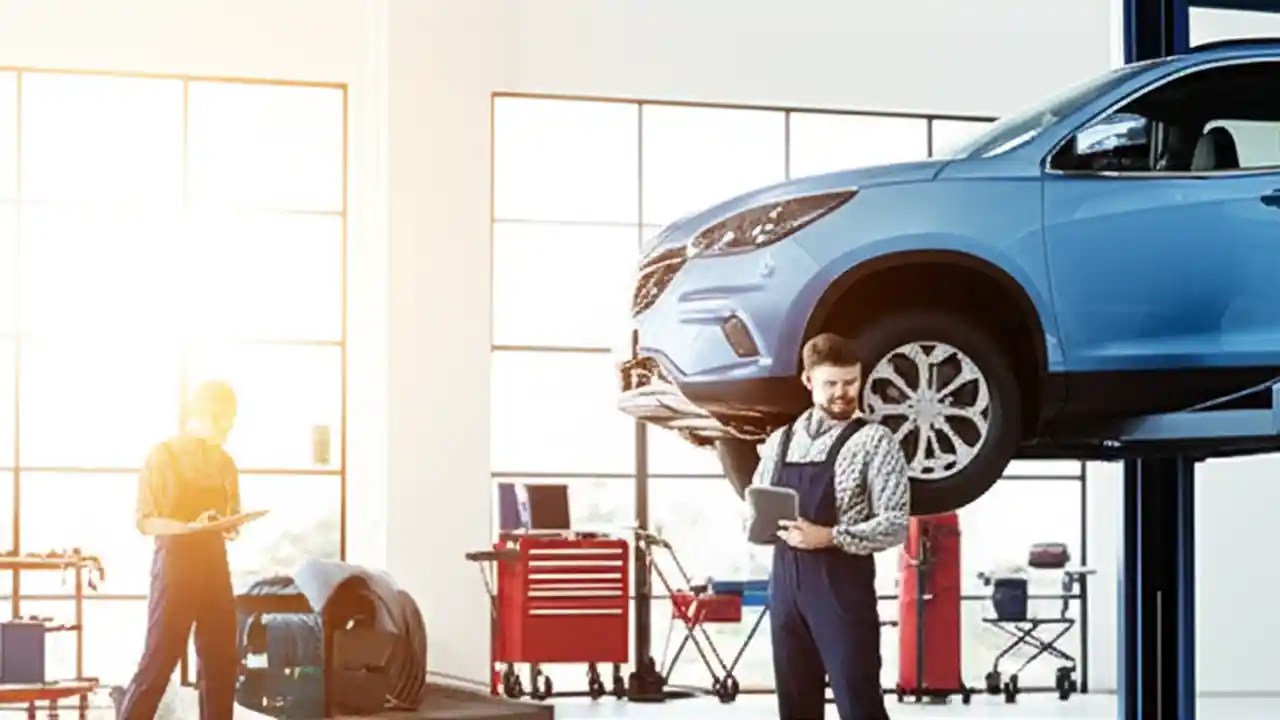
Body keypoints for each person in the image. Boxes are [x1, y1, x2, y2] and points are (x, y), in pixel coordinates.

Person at [751, 332, 910, 720]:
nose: (843, 393)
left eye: (851, 382)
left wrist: (829, 536)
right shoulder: (778, 442)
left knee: (859, 703)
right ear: (808, 381)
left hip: (841, 585)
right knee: (795, 704)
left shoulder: (875, 440)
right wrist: (756, 522)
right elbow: (754, 500)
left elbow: (895, 524)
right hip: (786, 583)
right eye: (831, 384)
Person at [114, 380, 242, 720]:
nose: (228, 427)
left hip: (215, 564)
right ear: (201, 414)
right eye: (223, 418)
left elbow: (230, 519)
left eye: (231, 419)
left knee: (221, 661)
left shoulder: (225, 462)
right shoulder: (162, 456)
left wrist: (229, 525)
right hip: (175, 564)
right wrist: (188, 528)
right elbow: (145, 522)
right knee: (159, 658)